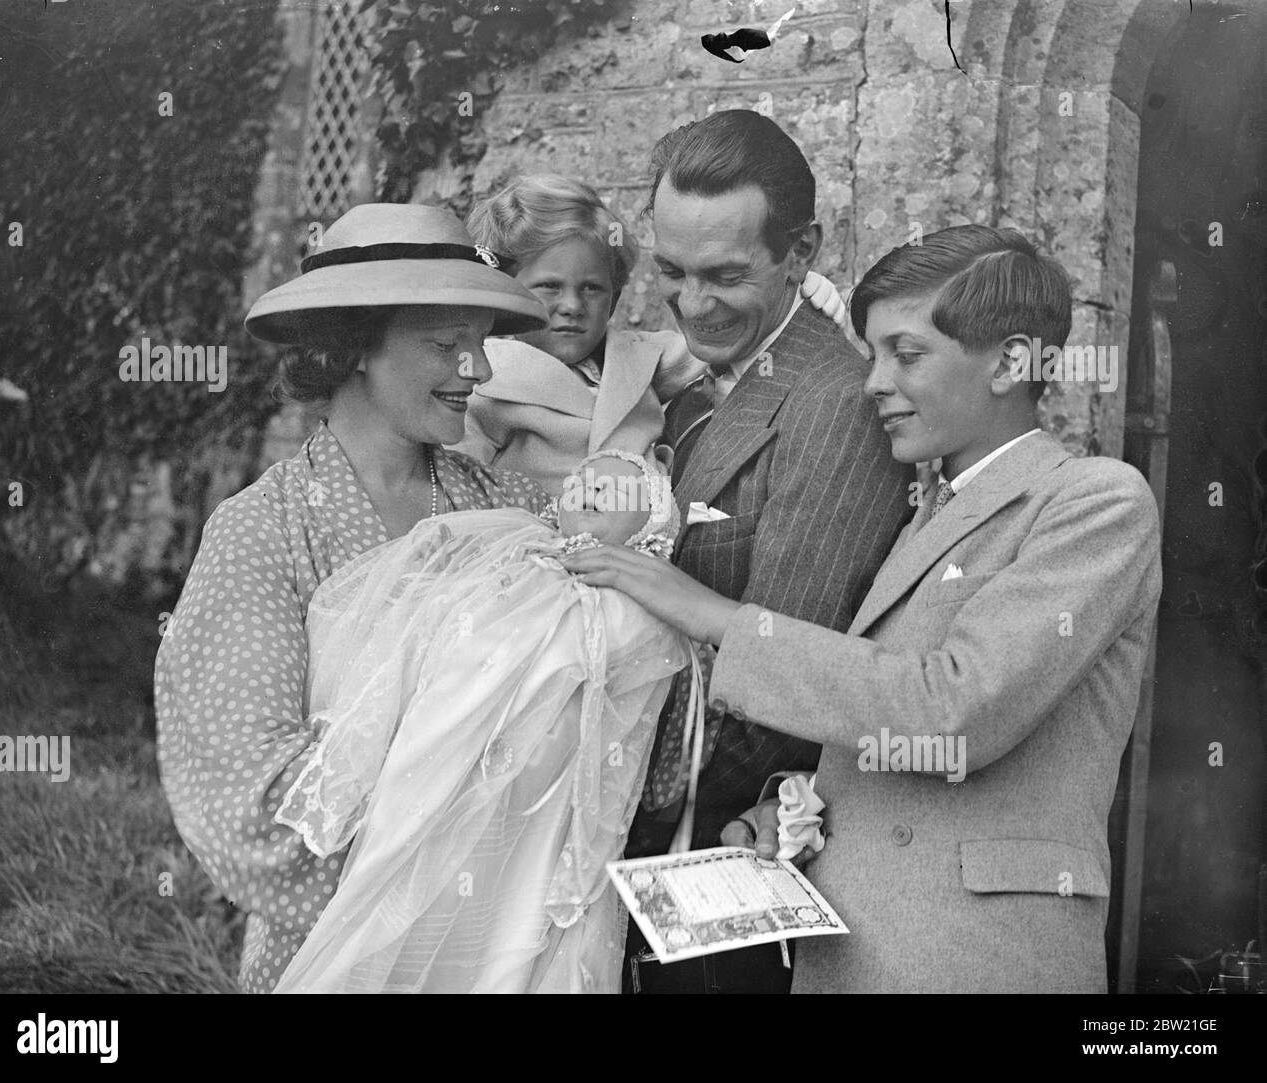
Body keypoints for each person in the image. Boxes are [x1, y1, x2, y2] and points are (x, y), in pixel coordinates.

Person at [562, 224, 1164, 994]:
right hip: (862, 953)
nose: (874, 381)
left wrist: (711, 614)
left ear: (1013, 362)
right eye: (872, 353)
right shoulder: (928, 509)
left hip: (973, 959)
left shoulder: (1096, 501)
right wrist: (797, 809)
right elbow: (877, 717)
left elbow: (953, 709)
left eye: (906, 355)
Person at [154, 203, 556, 993]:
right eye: (446, 343)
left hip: (503, 942)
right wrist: (451, 812)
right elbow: (252, 796)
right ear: (354, 346)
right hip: (343, 950)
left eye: (479, 342)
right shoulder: (262, 532)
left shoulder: (511, 506)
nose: (478, 370)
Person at [616, 109, 914, 994]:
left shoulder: (833, 402)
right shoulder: (673, 386)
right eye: (670, 271)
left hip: (714, 870)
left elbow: (783, 684)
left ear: (802, 252)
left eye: (726, 276)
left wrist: (620, 806)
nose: (694, 303)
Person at [271, 449, 689, 993]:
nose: (590, 491)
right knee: (403, 900)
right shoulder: (517, 557)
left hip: (544, 803)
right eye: (581, 481)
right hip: (443, 764)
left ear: (649, 526)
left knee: (509, 930)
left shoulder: (634, 609)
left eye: (615, 491)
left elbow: (614, 697)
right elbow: (429, 636)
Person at [453, 173, 848, 494]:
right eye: (549, 287)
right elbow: (459, 485)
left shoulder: (637, 356)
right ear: (504, 292)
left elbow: (741, 339)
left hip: (652, 552)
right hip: (543, 555)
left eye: (592, 288)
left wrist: (794, 286)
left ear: (614, 296)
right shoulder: (483, 380)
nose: (572, 305)